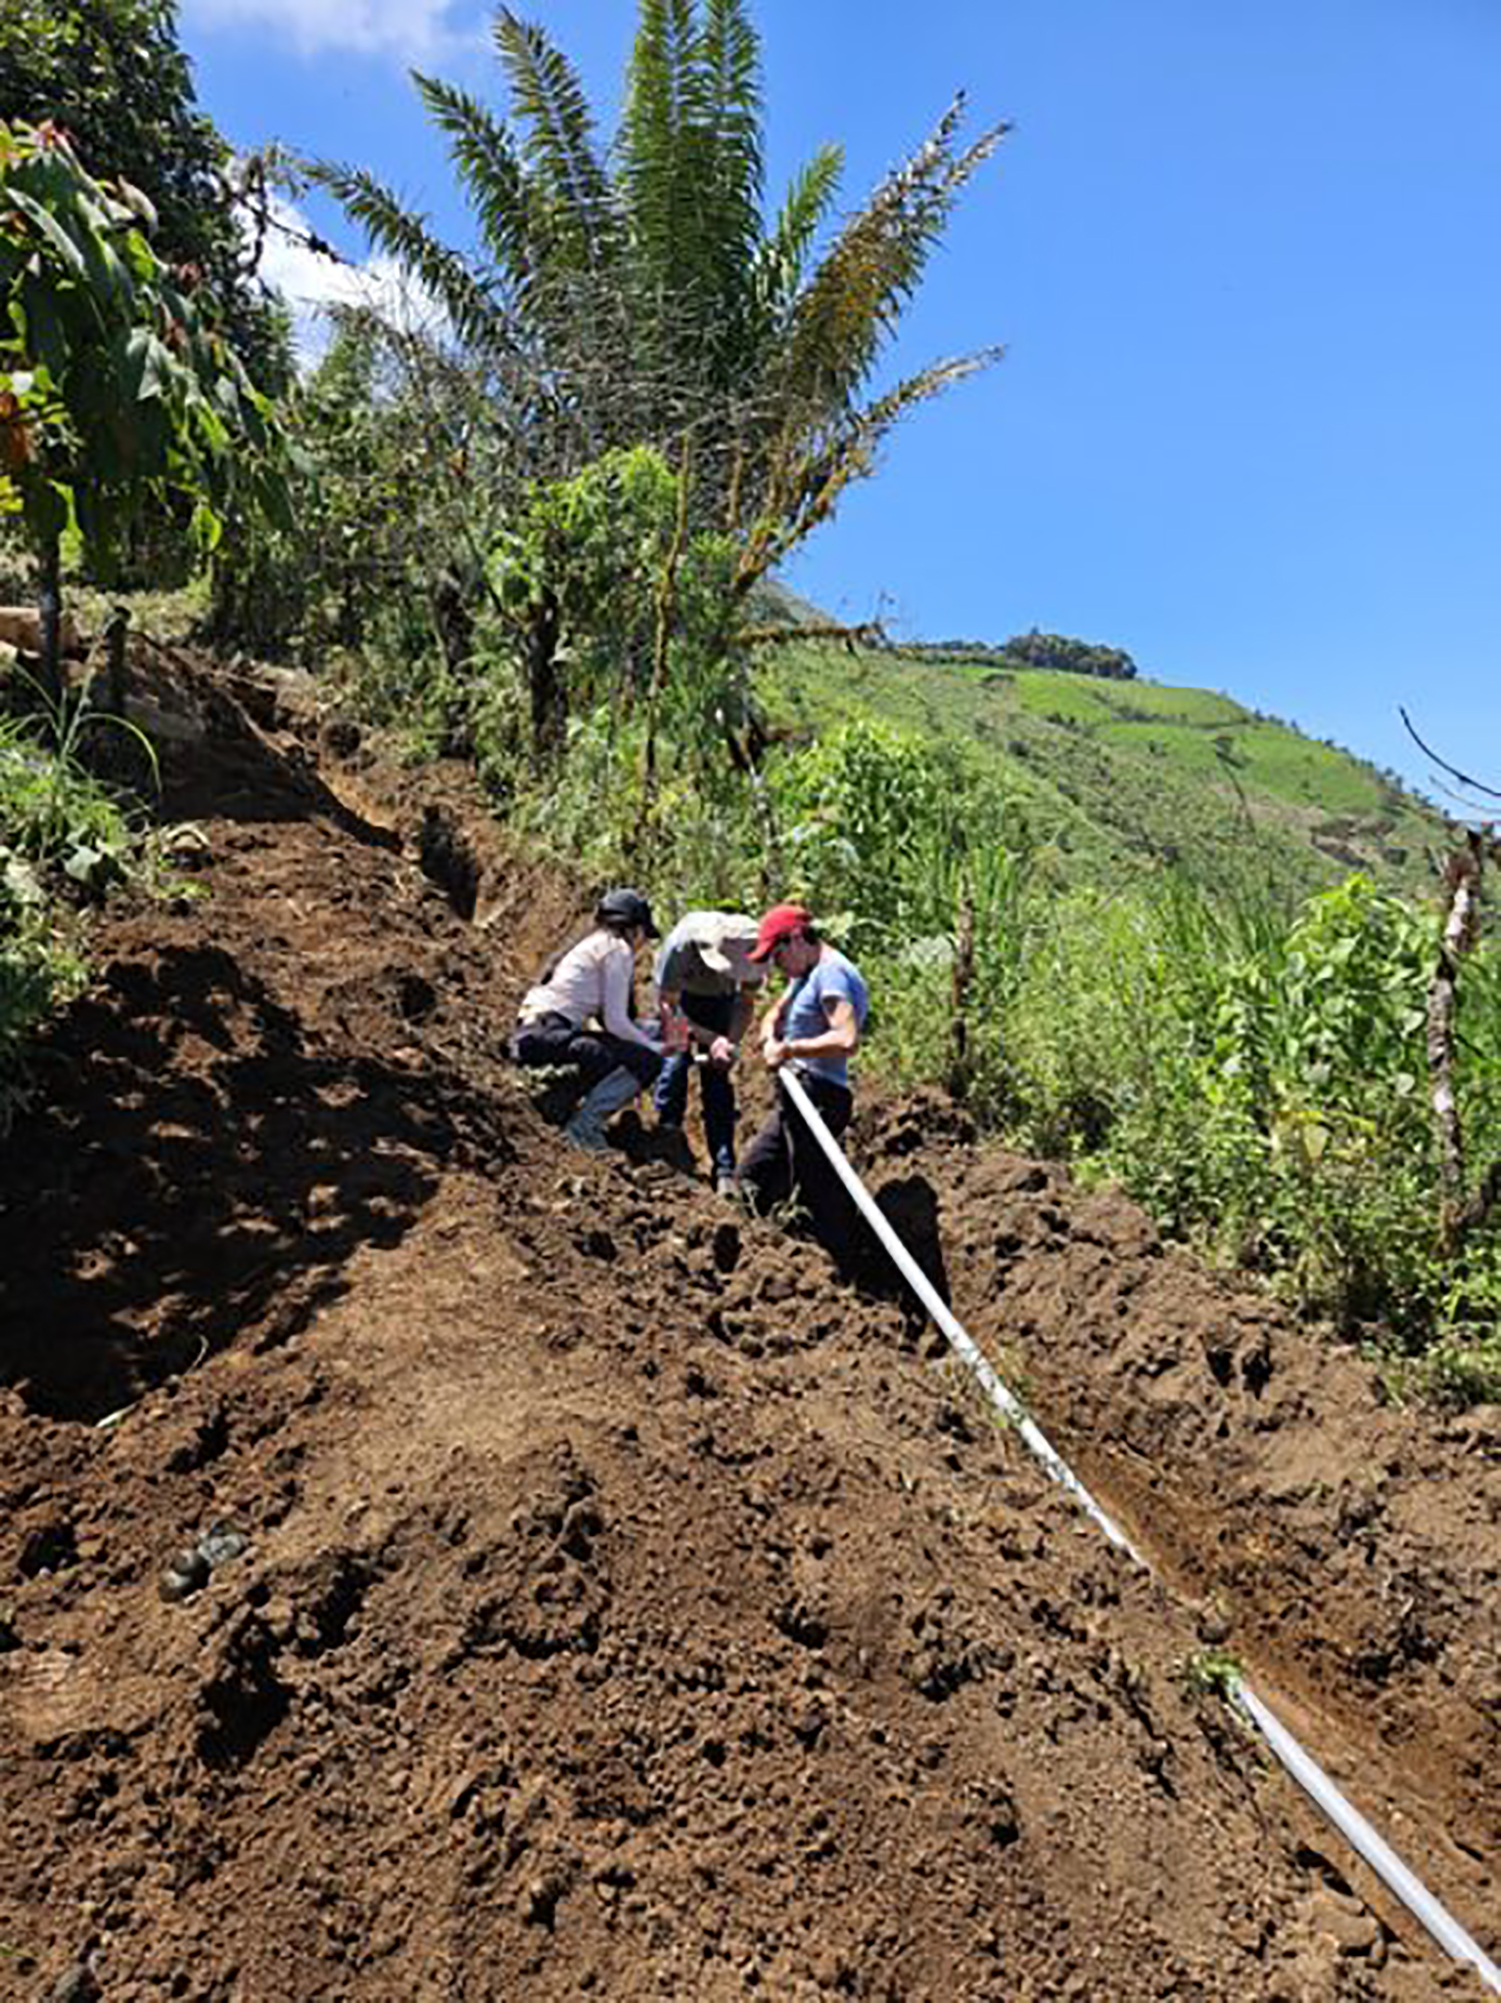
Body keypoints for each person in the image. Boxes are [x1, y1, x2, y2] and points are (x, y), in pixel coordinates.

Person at [738, 902, 870, 1259]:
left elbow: (846, 1038)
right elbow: (776, 1014)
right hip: (799, 1096)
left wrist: (789, 1049)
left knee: (814, 1193)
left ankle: (840, 1264)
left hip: (820, 1097)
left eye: (777, 955)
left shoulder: (831, 974)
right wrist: (769, 1033)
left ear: (796, 938)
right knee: (752, 1177)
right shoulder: (805, 974)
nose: (776, 965)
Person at [512, 888, 663, 1150]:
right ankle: (584, 1128)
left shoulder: (592, 944)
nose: (642, 945)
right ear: (634, 929)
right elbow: (616, 1023)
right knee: (647, 1061)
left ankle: (558, 1099)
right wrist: (654, 1047)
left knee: (624, 1046)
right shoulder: (617, 950)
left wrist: (650, 1033)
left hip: (533, 1036)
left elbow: (614, 1023)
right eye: (644, 935)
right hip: (550, 1035)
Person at [651, 910, 766, 1195]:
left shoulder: (755, 953)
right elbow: (668, 1007)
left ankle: (724, 1167)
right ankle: (668, 1140)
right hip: (680, 998)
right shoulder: (681, 947)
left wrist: (728, 1042)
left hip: (720, 1001)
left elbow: (745, 1003)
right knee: (675, 1063)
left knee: (717, 1079)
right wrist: (710, 1038)